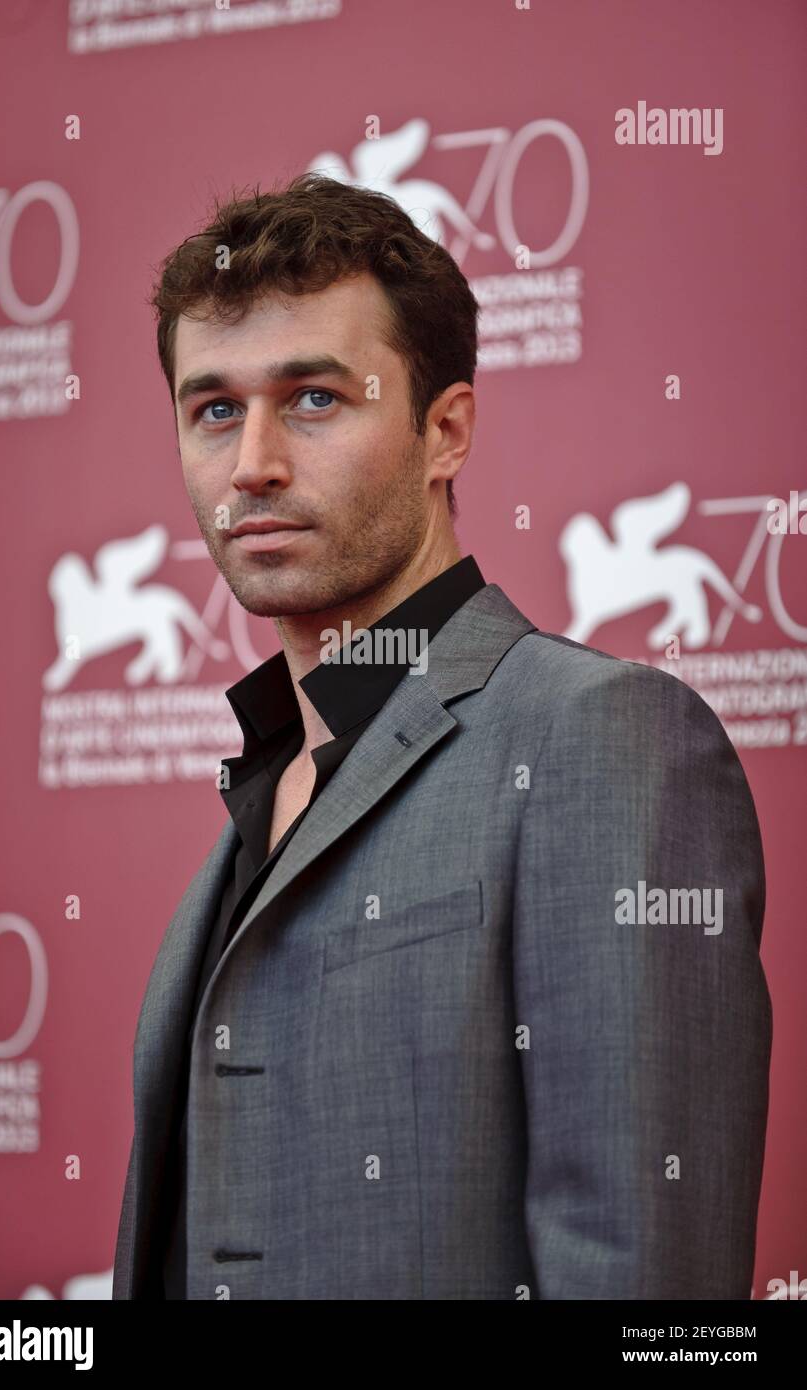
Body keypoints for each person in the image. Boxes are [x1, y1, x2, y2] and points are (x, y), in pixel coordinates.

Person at [112, 173, 771, 1300]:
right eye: (213, 408)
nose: (253, 463)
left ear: (445, 431)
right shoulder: (258, 798)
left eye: (313, 397)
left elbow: (645, 1280)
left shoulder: (600, 739)